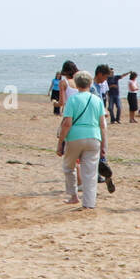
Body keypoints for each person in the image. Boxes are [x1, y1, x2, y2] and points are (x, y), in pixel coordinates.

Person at [57, 70, 104, 209]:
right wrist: (104, 146)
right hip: (94, 136)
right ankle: (89, 203)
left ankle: (73, 196)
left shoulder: (72, 99)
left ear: (76, 85)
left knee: (68, 166)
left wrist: (60, 142)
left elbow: (67, 123)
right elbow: (103, 124)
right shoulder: (97, 100)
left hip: (75, 137)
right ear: (90, 83)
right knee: (90, 172)